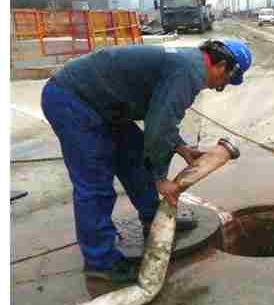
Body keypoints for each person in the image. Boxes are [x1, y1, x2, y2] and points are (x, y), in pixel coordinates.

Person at [41, 38, 252, 283]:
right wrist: (162, 179)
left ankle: (152, 217)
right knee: (95, 184)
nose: (219, 86)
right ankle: (101, 261)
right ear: (221, 65)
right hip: (74, 100)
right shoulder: (190, 71)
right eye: (224, 82)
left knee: (135, 158)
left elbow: (160, 112)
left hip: (105, 104)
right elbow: (159, 127)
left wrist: (180, 146)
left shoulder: (188, 62)